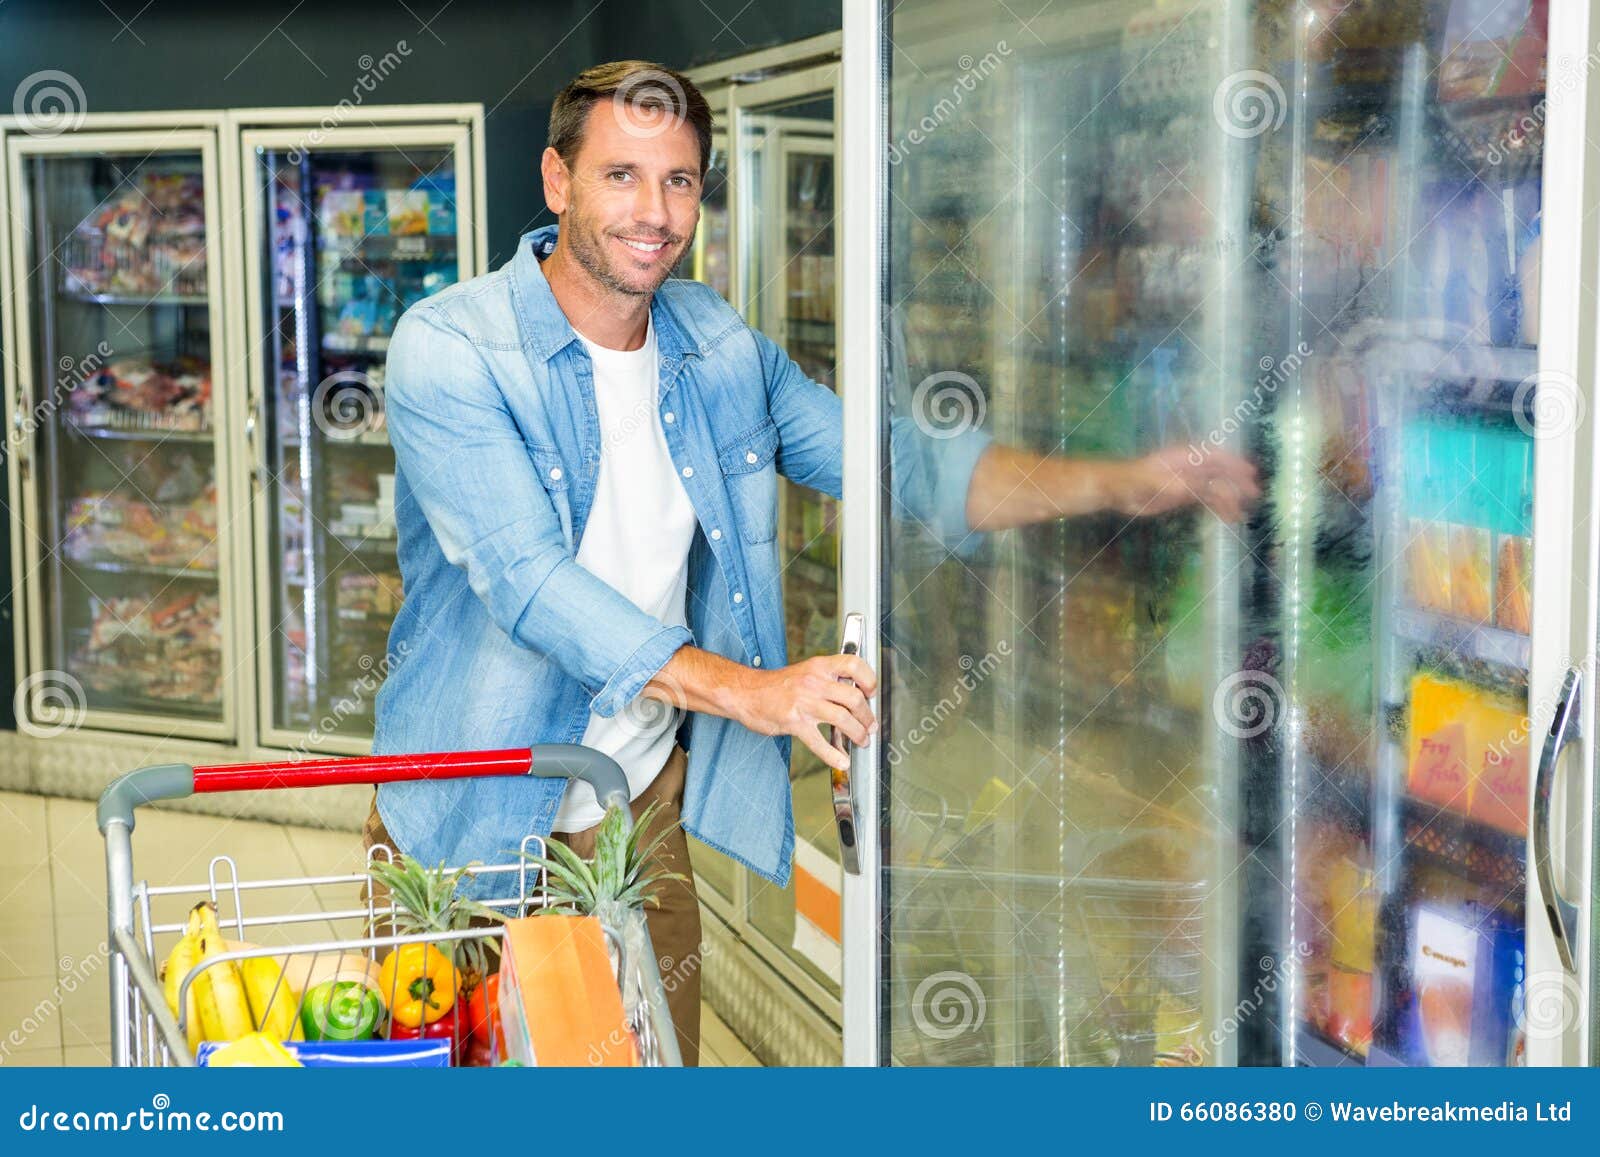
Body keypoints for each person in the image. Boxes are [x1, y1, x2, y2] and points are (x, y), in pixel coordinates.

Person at [363, 60, 1259, 1066]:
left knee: (649, 1079)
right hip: (469, 813)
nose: (654, 212)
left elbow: (905, 466)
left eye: (680, 181)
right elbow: (529, 583)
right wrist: (755, 692)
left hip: (630, 814)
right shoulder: (450, 347)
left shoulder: (716, 346)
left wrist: (1131, 480)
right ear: (556, 180)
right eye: (621, 175)